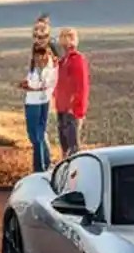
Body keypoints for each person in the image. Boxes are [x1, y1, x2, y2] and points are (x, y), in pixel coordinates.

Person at [17, 42, 58, 172]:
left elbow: (45, 84)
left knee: (36, 136)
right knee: (37, 134)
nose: (39, 57)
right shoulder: (37, 66)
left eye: (41, 54)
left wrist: (30, 86)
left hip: (38, 102)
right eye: (36, 54)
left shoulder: (50, 67)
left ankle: (39, 167)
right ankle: (45, 162)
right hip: (36, 101)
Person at [52, 27, 90, 158]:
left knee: (73, 147)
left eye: (67, 37)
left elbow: (82, 86)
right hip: (62, 108)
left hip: (71, 109)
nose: (63, 40)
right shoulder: (63, 61)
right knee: (65, 147)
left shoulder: (77, 59)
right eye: (62, 37)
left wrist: (77, 108)